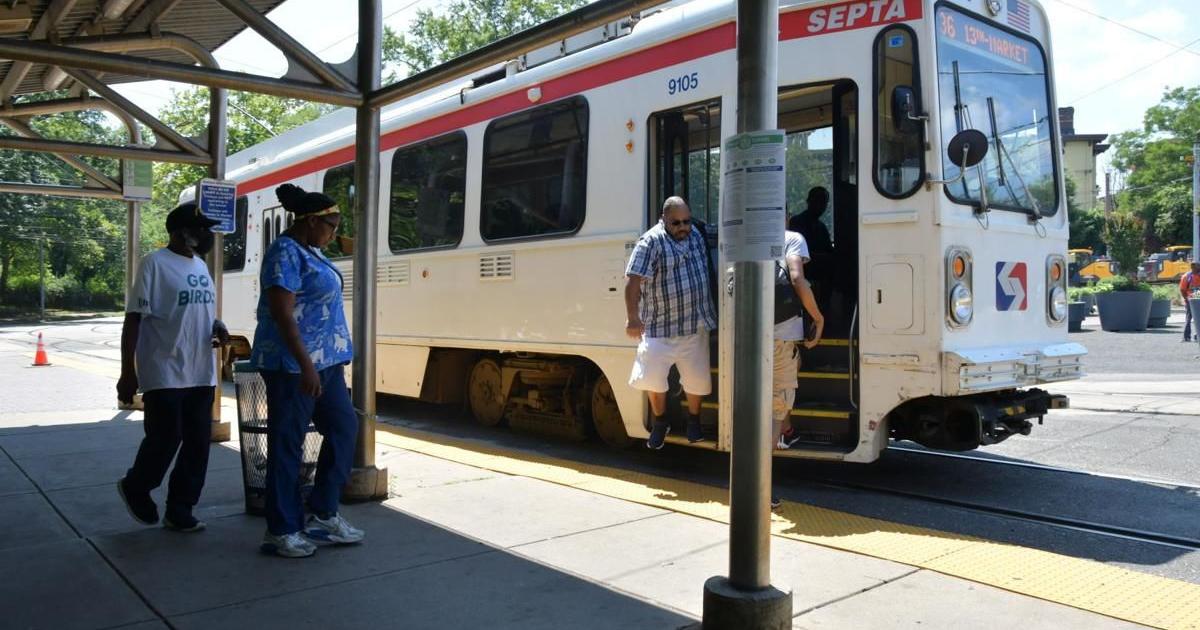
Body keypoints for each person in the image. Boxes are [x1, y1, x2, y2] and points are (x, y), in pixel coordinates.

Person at [251, 183, 362, 558]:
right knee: (288, 442)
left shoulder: (309, 249)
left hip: (324, 364)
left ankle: (323, 513)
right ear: (312, 221)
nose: (335, 233)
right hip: (294, 367)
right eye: (331, 225)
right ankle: (281, 530)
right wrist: (305, 366)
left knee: (345, 427)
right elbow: (283, 314)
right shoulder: (284, 252)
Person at [117, 202, 229, 533]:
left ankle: (180, 509)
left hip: (200, 371)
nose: (209, 236)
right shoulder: (154, 264)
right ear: (183, 233)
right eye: (203, 230)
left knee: (197, 444)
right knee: (165, 439)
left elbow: (198, 310)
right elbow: (134, 319)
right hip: (163, 369)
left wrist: (217, 324)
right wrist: (128, 371)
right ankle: (137, 485)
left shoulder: (200, 266)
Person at [625, 196, 718, 449]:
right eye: (676, 223)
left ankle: (694, 421)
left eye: (686, 221)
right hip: (659, 328)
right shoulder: (650, 242)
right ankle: (660, 422)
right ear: (664, 219)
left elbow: (723, 233)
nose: (683, 227)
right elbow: (633, 281)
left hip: (694, 323)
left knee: (697, 379)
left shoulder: (696, 233)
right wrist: (633, 318)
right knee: (653, 379)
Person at [770, 225, 824, 508]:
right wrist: (818, 317)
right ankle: (758, 489)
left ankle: (788, 432)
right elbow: (797, 278)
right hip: (781, 337)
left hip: (745, 335)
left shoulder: (746, 236)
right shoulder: (791, 238)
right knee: (776, 407)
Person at [789, 187, 833, 255]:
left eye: (824, 202)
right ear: (809, 201)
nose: (821, 205)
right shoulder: (796, 222)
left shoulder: (822, 227)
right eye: (818, 200)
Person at [1181, 261, 1200, 342]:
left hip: (1195, 297)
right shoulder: (1187, 276)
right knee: (1189, 317)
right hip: (1191, 298)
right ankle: (1186, 336)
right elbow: (1182, 289)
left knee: (1192, 317)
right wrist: (1186, 299)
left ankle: (1196, 335)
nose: (1199, 268)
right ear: (1193, 267)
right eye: (1198, 266)